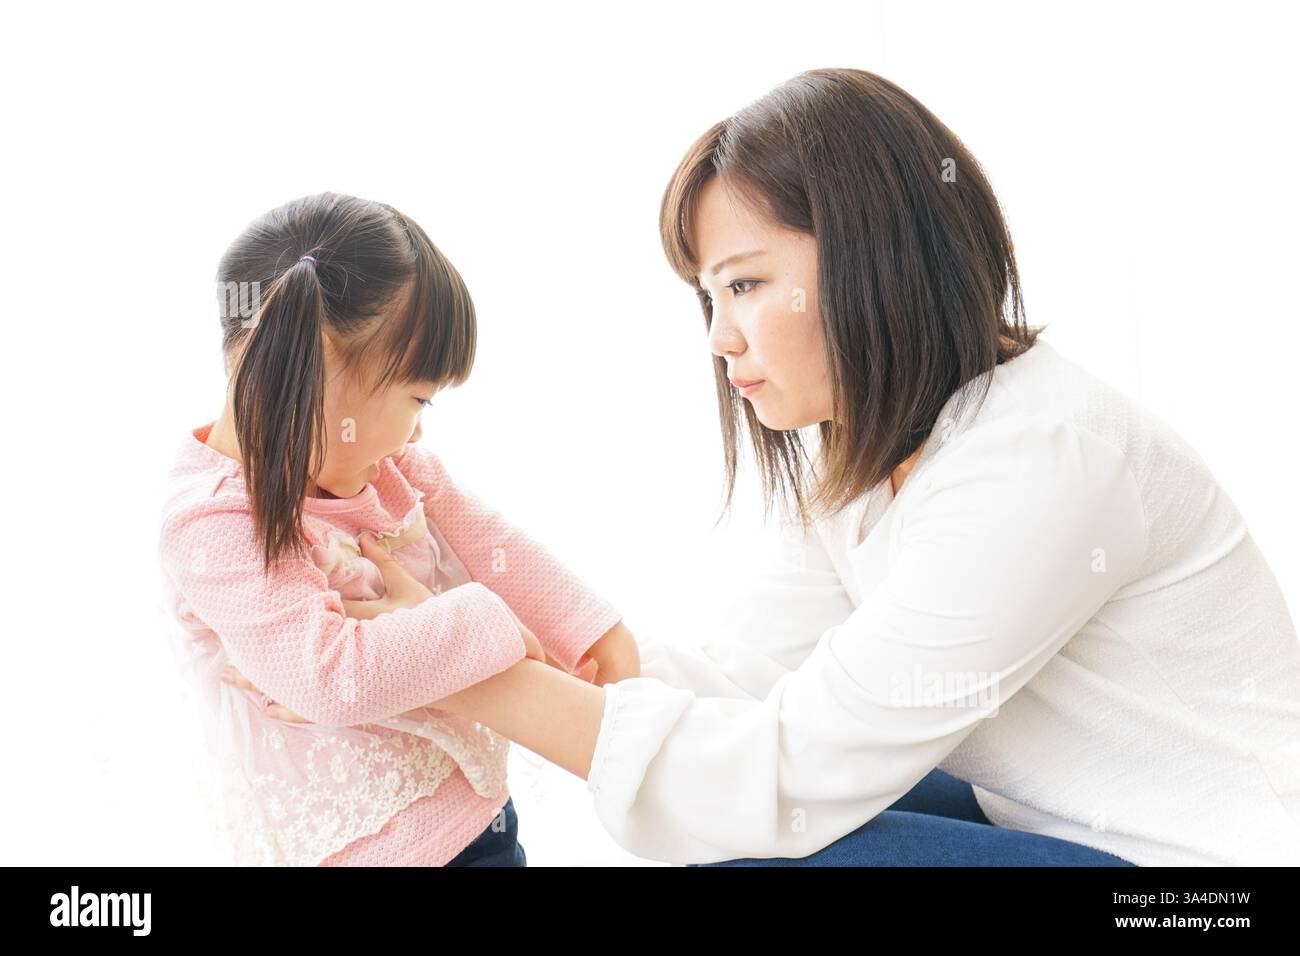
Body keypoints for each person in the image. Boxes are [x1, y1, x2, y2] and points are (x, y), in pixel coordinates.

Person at [223, 69, 1300, 867]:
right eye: (708, 297)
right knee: (745, 807)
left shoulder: (1042, 467)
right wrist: (540, 638)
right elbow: (751, 678)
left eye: (743, 285)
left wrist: (460, 658)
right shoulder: (867, 447)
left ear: (875, 256)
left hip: (1196, 871)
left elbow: (777, 771)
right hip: (1048, 817)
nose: (719, 337)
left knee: (754, 833)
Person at [156, 192, 635, 866]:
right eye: (418, 399)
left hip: (474, 815)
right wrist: (491, 628)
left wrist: (590, 633)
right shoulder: (213, 521)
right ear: (320, 362)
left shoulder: (394, 467)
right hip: (368, 850)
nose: (417, 428)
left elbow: (496, 549)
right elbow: (329, 676)